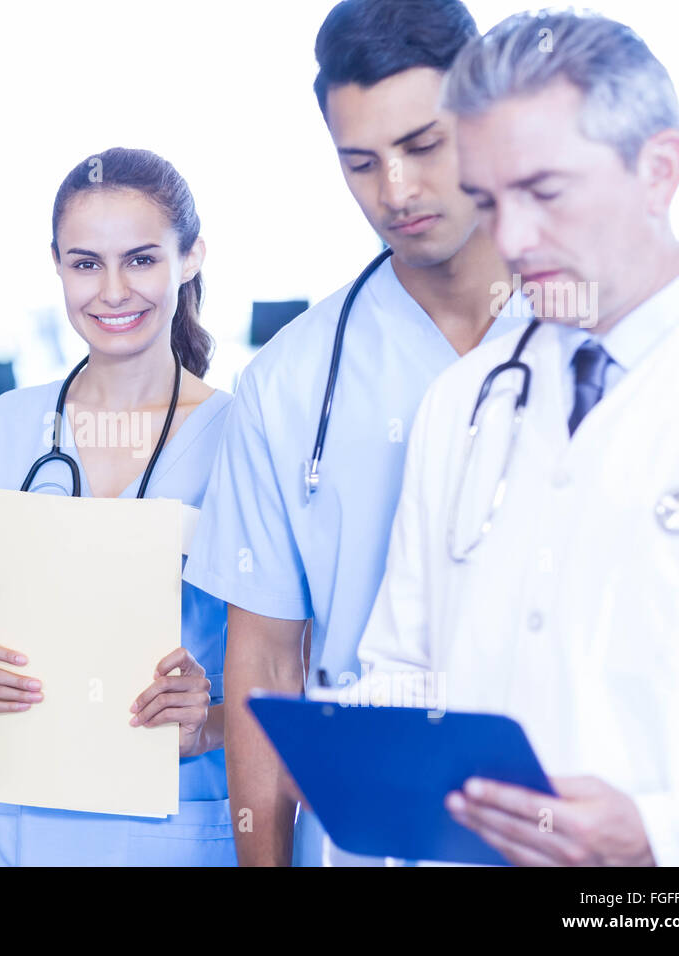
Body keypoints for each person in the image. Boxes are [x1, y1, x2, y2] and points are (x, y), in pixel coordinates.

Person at [358, 9, 679, 866]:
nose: (514, 240)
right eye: (491, 201)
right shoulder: (463, 405)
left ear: (659, 171)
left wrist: (666, 840)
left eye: (544, 192)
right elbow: (401, 667)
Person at [181, 0, 531, 866]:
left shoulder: (589, 338)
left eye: (423, 146)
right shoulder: (292, 384)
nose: (397, 192)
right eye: (361, 162)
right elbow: (263, 661)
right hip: (362, 840)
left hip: (557, 822)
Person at [0, 147, 236, 866]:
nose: (113, 291)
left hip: (179, 821)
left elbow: (294, 658)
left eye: (142, 259)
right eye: (85, 264)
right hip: (25, 819)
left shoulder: (240, 438)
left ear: (189, 259)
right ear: (58, 267)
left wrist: (210, 722)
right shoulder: (5, 428)